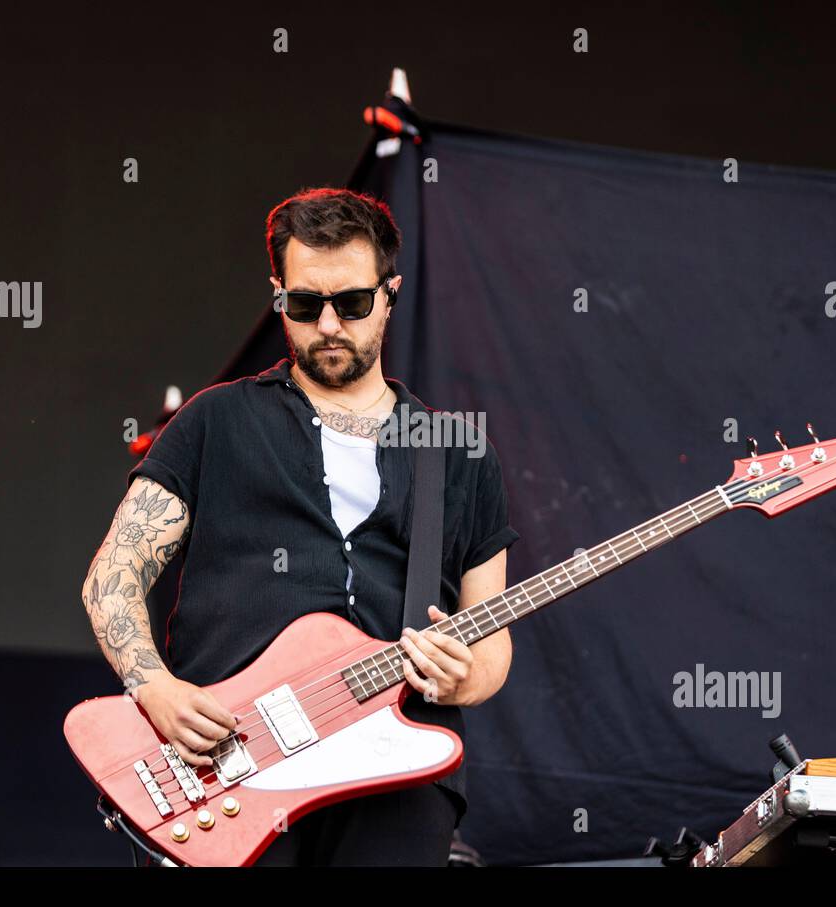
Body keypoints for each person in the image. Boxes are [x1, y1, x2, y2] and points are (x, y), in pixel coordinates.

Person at [80, 186, 519, 865]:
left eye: (352, 303)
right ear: (278, 296)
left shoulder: (457, 452)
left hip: (395, 774)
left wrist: (462, 677)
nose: (330, 326)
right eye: (304, 305)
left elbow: (491, 640)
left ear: (391, 293)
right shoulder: (215, 421)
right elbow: (113, 576)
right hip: (227, 765)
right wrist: (155, 690)